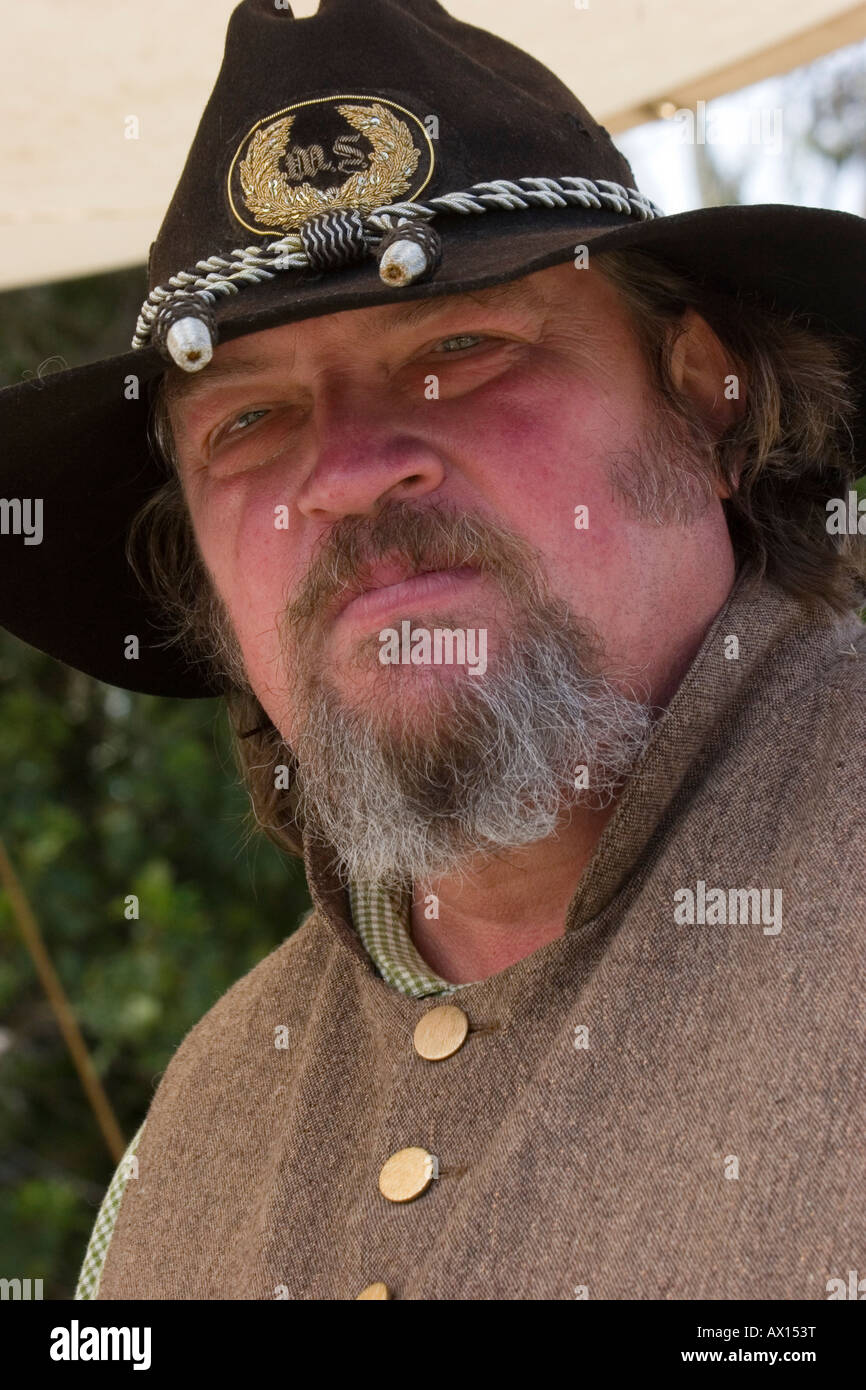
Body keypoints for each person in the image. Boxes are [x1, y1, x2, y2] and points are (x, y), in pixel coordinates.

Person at [1, 0, 863, 1300]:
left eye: (458, 349)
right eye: (249, 420)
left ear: (706, 397)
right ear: (199, 561)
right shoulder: (200, 1125)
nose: (346, 471)